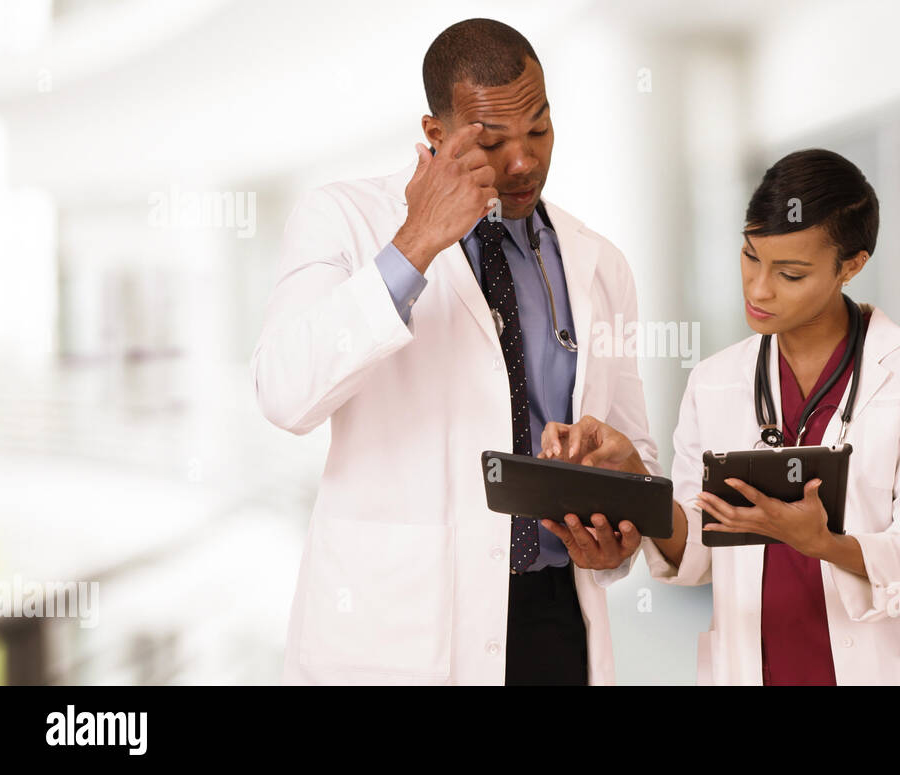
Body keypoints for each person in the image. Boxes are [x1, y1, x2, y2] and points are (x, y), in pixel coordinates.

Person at [251, 18, 657, 686]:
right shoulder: (344, 220)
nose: (524, 161)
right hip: (403, 631)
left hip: (555, 622)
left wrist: (619, 531)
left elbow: (632, 450)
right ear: (436, 136)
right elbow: (283, 391)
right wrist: (414, 244)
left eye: (540, 129)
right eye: (493, 141)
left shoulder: (599, 263)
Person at [540, 149, 900, 685]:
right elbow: (698, 547)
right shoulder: (715, 381)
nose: (758, 288)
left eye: (790, 273)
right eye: (750, 256)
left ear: (852, 265)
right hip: (758, 667)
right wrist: (638, 482)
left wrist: (826, 545)